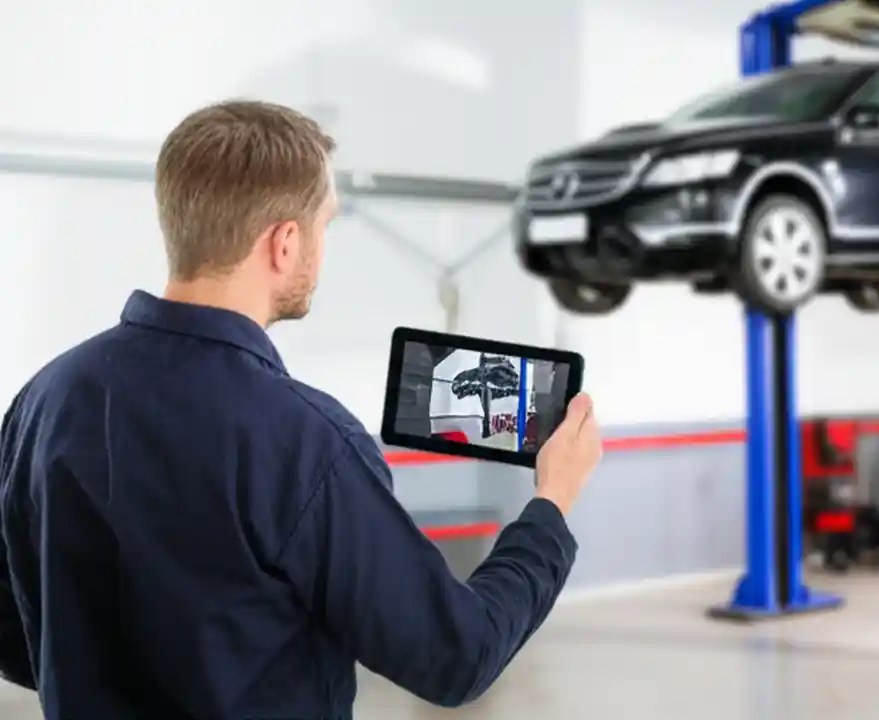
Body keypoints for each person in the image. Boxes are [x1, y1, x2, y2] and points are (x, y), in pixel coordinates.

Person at [0, 100, 601, 718]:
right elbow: (457, 655)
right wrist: (551, 504)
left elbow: (18, 641)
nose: (321, 248)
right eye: (324, 226)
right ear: (285, 242)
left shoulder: (43, 401)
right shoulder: (308, 442)